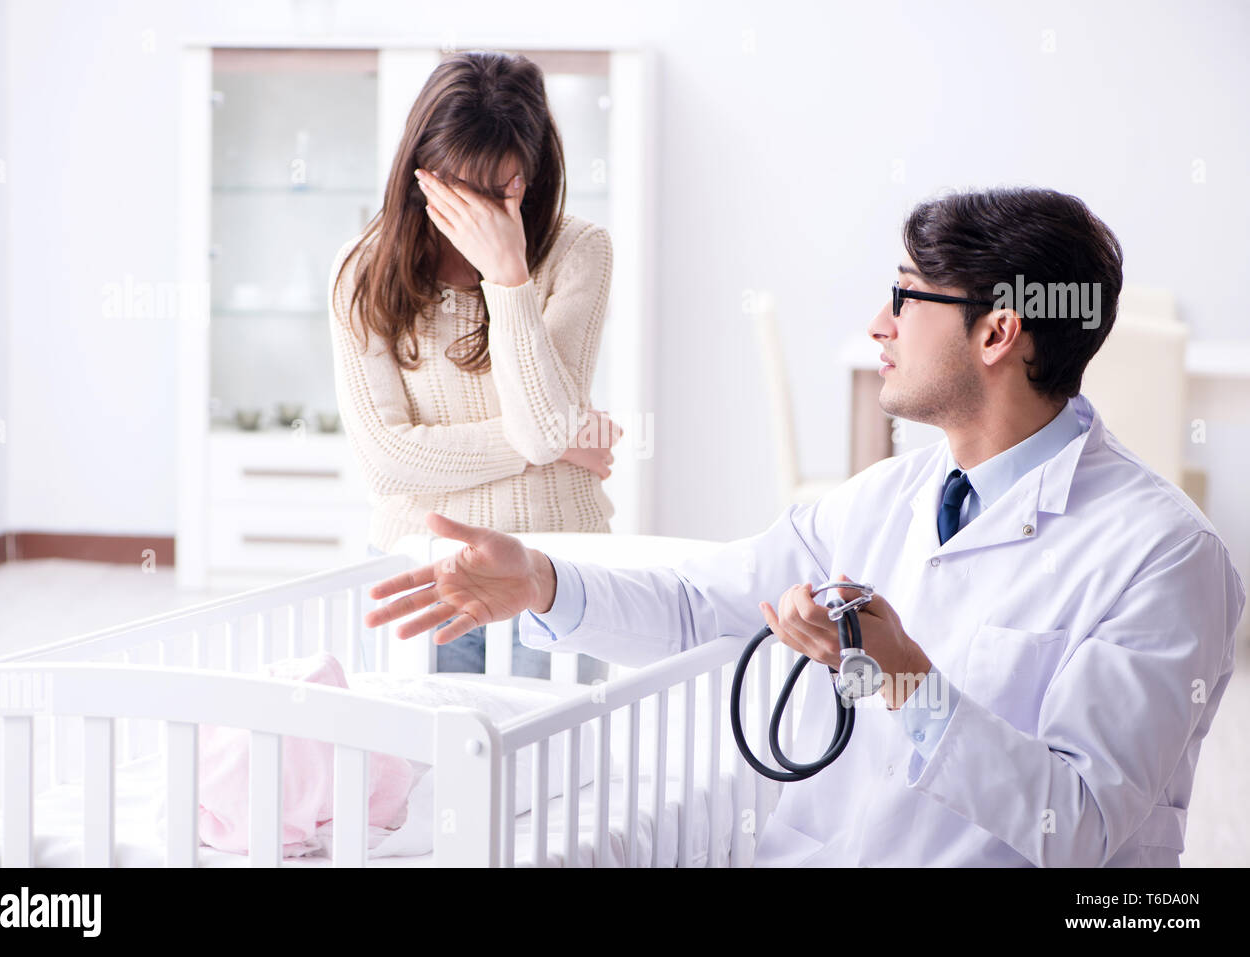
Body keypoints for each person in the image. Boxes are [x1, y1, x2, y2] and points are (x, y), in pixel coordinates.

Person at [362, 186, 1245, 867]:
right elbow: (697, 602)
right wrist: (545, 583)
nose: (877, 324)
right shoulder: (885, 495)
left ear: (999, 332)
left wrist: (907, 678)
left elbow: (1079, 827)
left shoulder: (1163, 558)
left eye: (905, 298)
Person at [329, 51, 621, 679]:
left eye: (495, 190)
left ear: (532, 174)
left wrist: (509, 277)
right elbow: (386, 460)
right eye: (452, 183)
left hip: (552, 568)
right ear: (419, 168)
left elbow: (545, 431)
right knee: (417, 769)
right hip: (421, 567)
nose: (470, 208)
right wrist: (561, 443)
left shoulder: (578, 251)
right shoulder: (363, 270)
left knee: (562, 772)